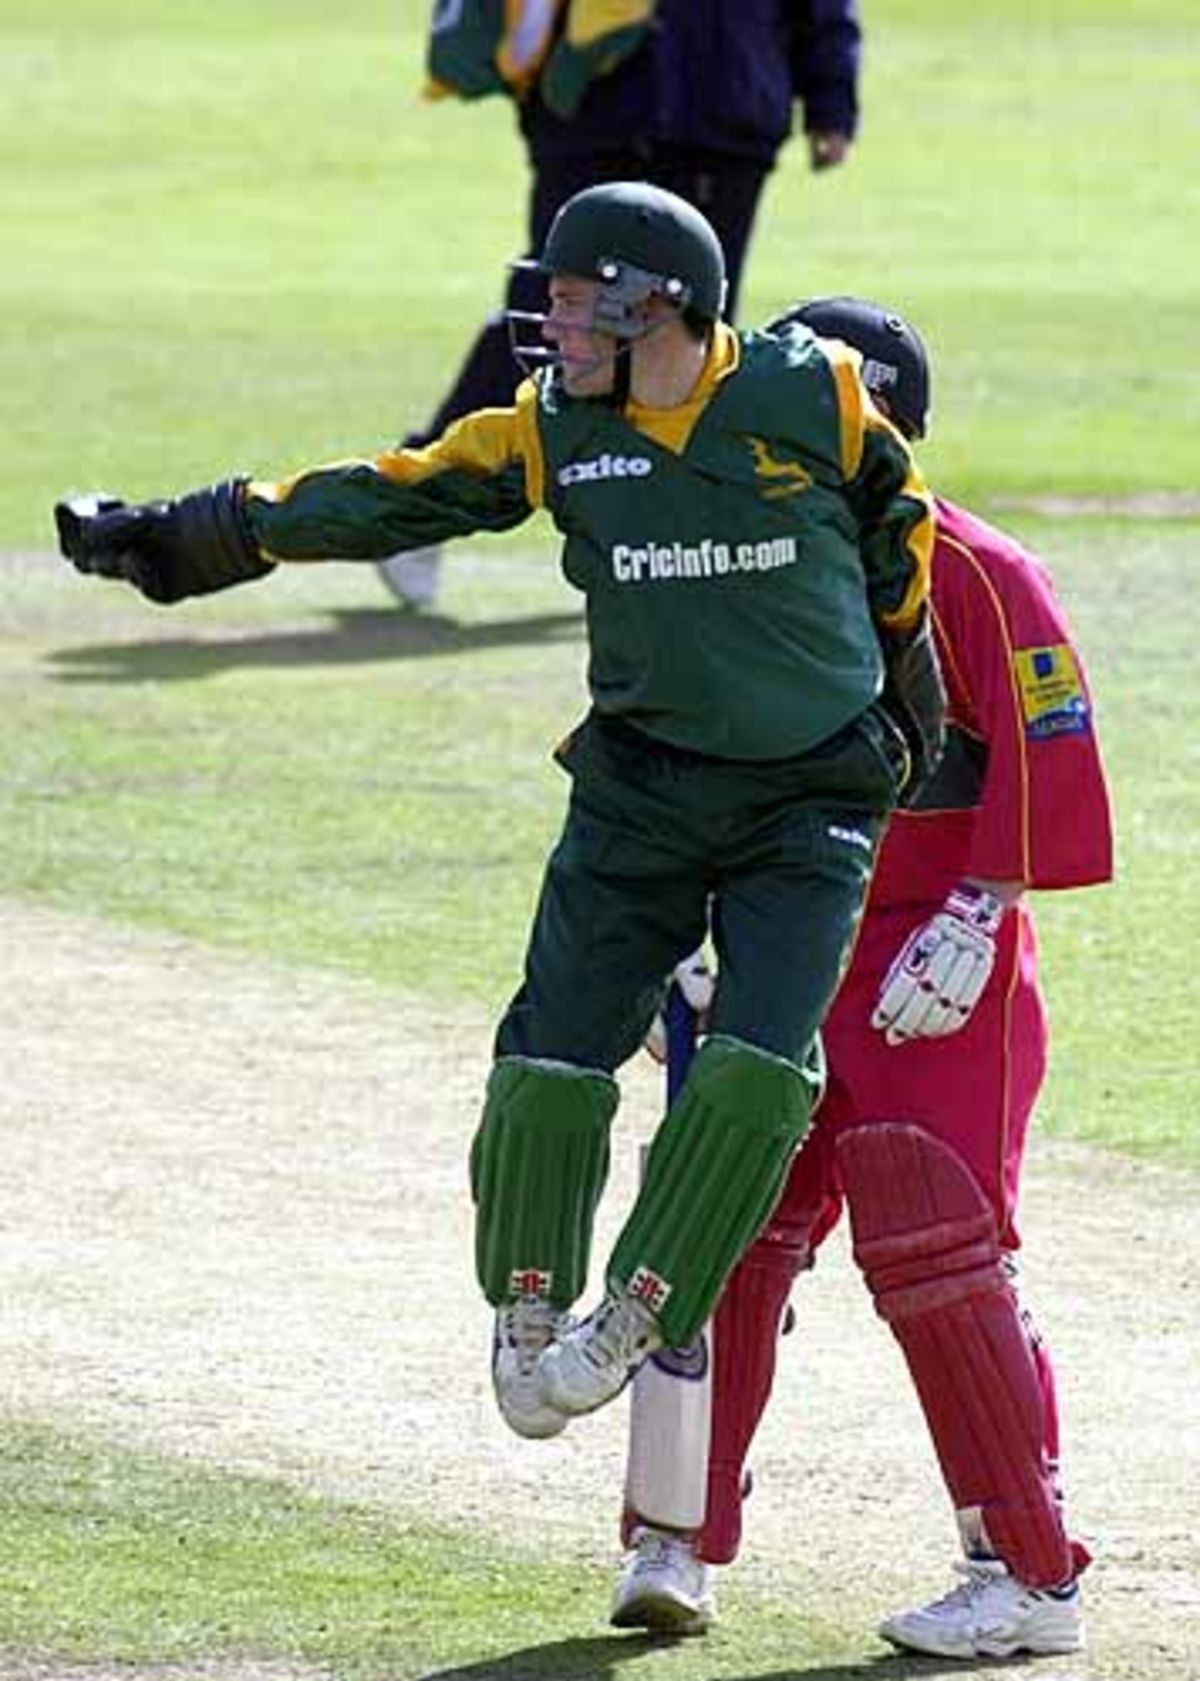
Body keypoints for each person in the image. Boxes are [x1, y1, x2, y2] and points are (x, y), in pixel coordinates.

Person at [54, 185, 945, 1445]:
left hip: (810, 796)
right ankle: (528, 1302)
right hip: (640, 784)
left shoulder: (815, 396)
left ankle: (642, 1306)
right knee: (550, 1044)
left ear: (661, 308)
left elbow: (898, 539)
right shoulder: (554, 425)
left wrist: (908, 709)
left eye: (582, 307)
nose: (557, 329)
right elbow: (389, 493)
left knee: (756, 1069)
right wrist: (194, 534)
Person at [611, 296, 1114, 1660]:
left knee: (932, 1239)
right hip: (775, 940)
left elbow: (1049, 748)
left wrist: (982, 905)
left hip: (928, 956)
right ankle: (673, 1537)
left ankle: (1027, 1574)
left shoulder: (982, 570)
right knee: (720, 1233)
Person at [380, 0, 862, 608]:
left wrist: (832, 100)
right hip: (595, 115)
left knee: (688, 350)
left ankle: (669, 551)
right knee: (547, 330)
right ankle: (420, 508)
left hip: (721, 121)